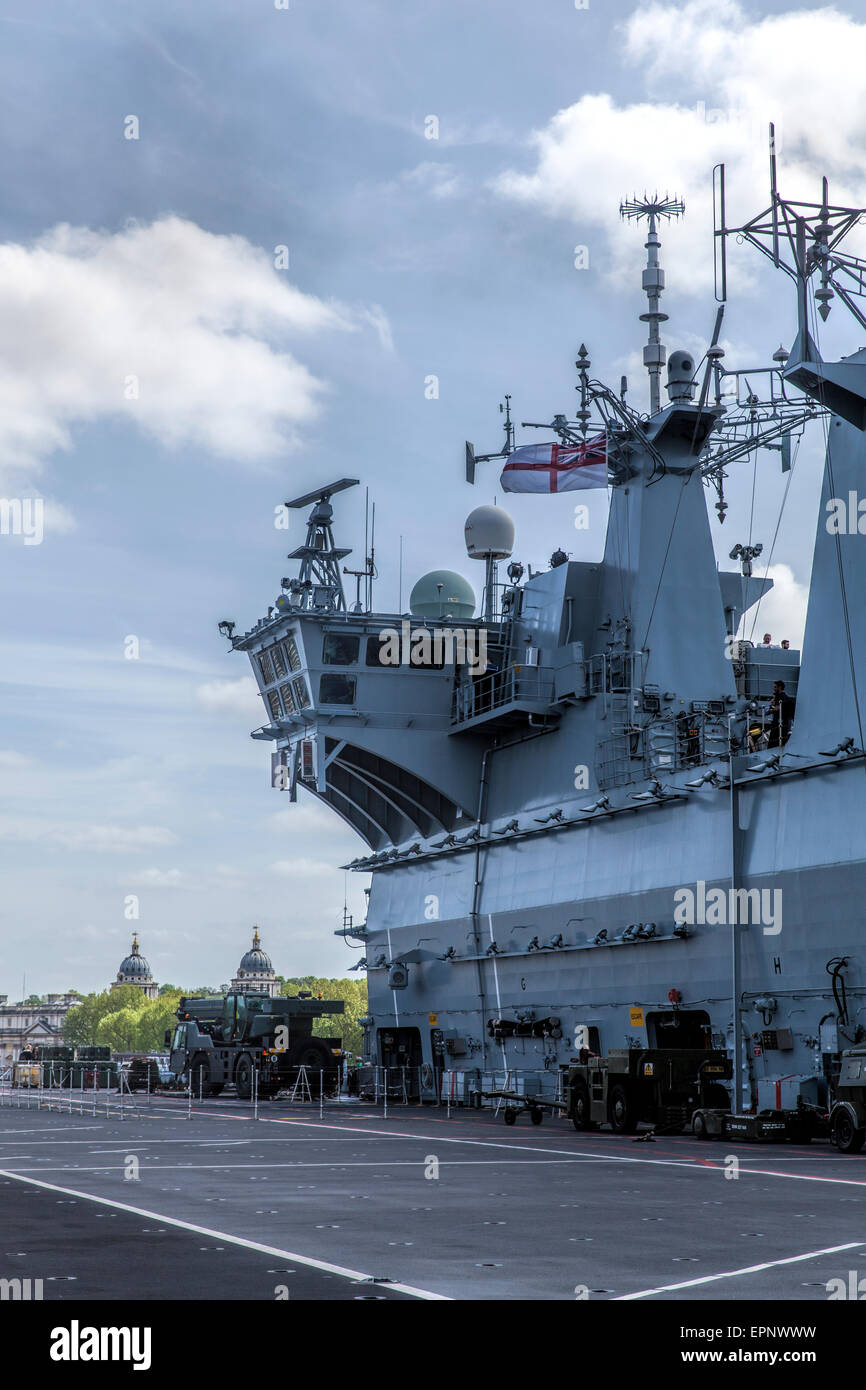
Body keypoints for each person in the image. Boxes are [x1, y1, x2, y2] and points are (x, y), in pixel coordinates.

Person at [767, 679, 795, 747]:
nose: (774, 689)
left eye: (775, 687)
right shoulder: (783, 697)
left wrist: (770, 709)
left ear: (779, 687)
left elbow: (777, 708)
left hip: (779, 723)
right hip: (781, 722)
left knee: (774, 741)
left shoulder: (781, 697)